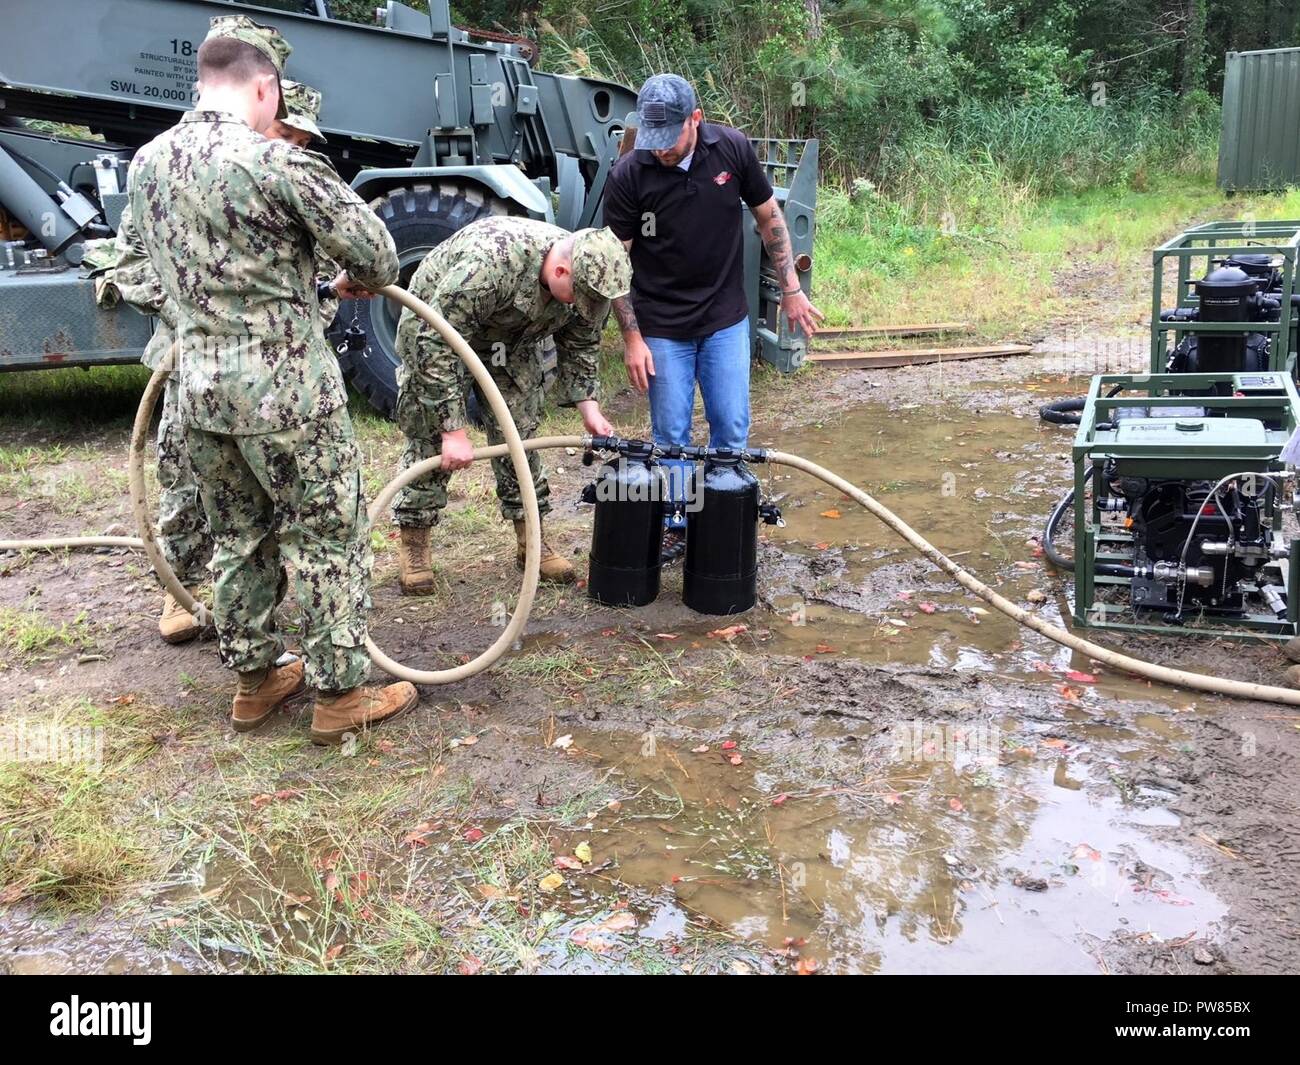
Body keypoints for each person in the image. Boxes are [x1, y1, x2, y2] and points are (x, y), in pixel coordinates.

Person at [126, 14, 413, 743]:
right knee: (325, 535)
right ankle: (339, 698)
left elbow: (153, 274)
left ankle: (255, 683)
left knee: (238, 536)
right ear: (265, 87)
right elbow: (379, 258)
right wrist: (346, 278)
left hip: (199, 391)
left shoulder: (148, 165)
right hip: (286, 393)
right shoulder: (275, 164)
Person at [92, 77, 340, 645]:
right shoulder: (173, 176)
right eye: (286, 133)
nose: (294, 147)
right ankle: (179, 589)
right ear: (259, 109)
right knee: (190, 481)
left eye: (302, 141)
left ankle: (265, 614)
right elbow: (130, 263)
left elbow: (320, 263)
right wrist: (199, 309)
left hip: (279, 371)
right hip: (196, 363)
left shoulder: (287, 178)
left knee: (287, 495)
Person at [602, 74, 824, 561]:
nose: (659, 150)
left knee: (730, 425)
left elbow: (768, 216)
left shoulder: (732, 149)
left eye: (670, 138)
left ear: (695, 119)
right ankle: (678, 522)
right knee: (671, 433)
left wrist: (790, 290)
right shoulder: (630, 174)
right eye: (652, 137)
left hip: (724, 319)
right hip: (662, 324)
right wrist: (632, 338)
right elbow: (615, 263)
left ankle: (727, 515)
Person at [391, 216, 630, 593]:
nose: (585, 305)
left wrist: (590, 407)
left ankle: (531, 540)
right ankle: (415, 545)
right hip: (437, 335)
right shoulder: (489, 264)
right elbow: (434, 342)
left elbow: (581, 343)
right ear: (561, 269)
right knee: (430, 436)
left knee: (519, 435)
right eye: (579, 296)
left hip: (509, 343)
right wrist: (453, 429)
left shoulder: (587, 281)